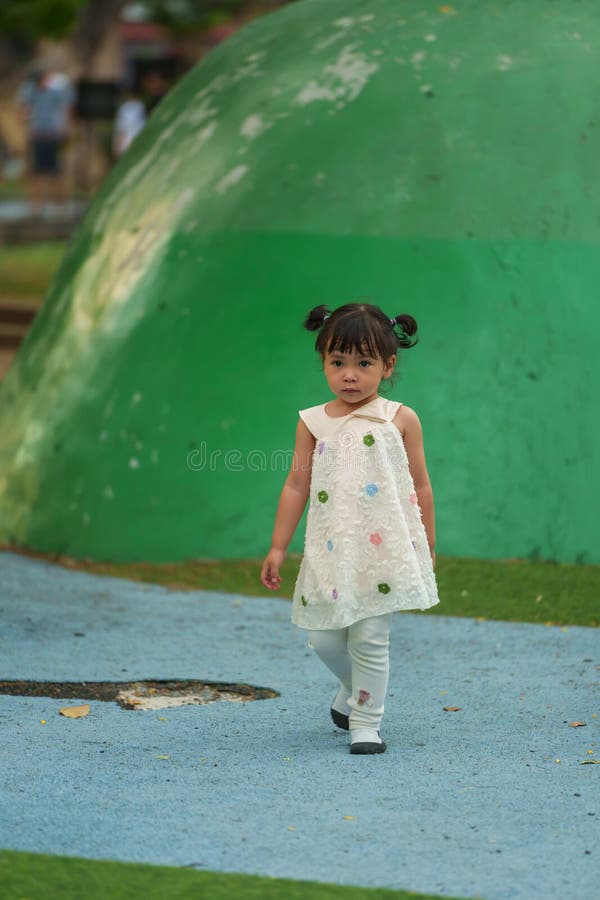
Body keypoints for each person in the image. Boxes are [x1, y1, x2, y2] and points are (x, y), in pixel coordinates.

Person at [260, 303, 439, 755]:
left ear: (388, 364)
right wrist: (278, 547)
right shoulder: (313, 422)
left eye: (364, 363)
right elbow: (297, 483)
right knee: (322, 637)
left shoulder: (399, 418)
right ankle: (354, 688)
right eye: (338, 363)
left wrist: (427, 544)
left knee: (370, 638)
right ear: (323, 362)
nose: (350, 375)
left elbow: (420, 485)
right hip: (331, 549)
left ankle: (366, 721)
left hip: (385, 550)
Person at [17, 68, 74, 211]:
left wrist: (65, 128)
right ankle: (36, 205)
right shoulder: (31, 92)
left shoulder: (55, 93)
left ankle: (61, 203)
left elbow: (65, 109)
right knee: (37, 171)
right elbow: (24, 110)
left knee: (56, 171)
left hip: (52, 135)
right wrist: (25, 118)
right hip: (37, 135)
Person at [113, 89, 146, 158]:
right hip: (139, 140)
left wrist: (118, 145)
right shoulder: (140, 105)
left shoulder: (125, 108)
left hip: (127, 142)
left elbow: (124, 128)